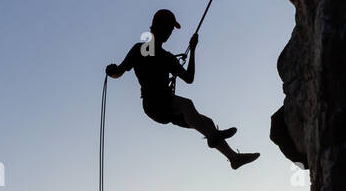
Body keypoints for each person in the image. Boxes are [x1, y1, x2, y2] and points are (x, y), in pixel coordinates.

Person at [105, 9, 260, 169]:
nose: (170, 33)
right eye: (169, 28)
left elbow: (189, 78)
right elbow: (120, 71)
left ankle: (233, 157)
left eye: (171, 30)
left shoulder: (167, 57)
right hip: (154, 102)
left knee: (206, 122)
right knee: (187, 105)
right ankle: (213, 136)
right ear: (158, 27)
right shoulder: (141, 50)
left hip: (164, 106)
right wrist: (112, 71)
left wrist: (193, 50)